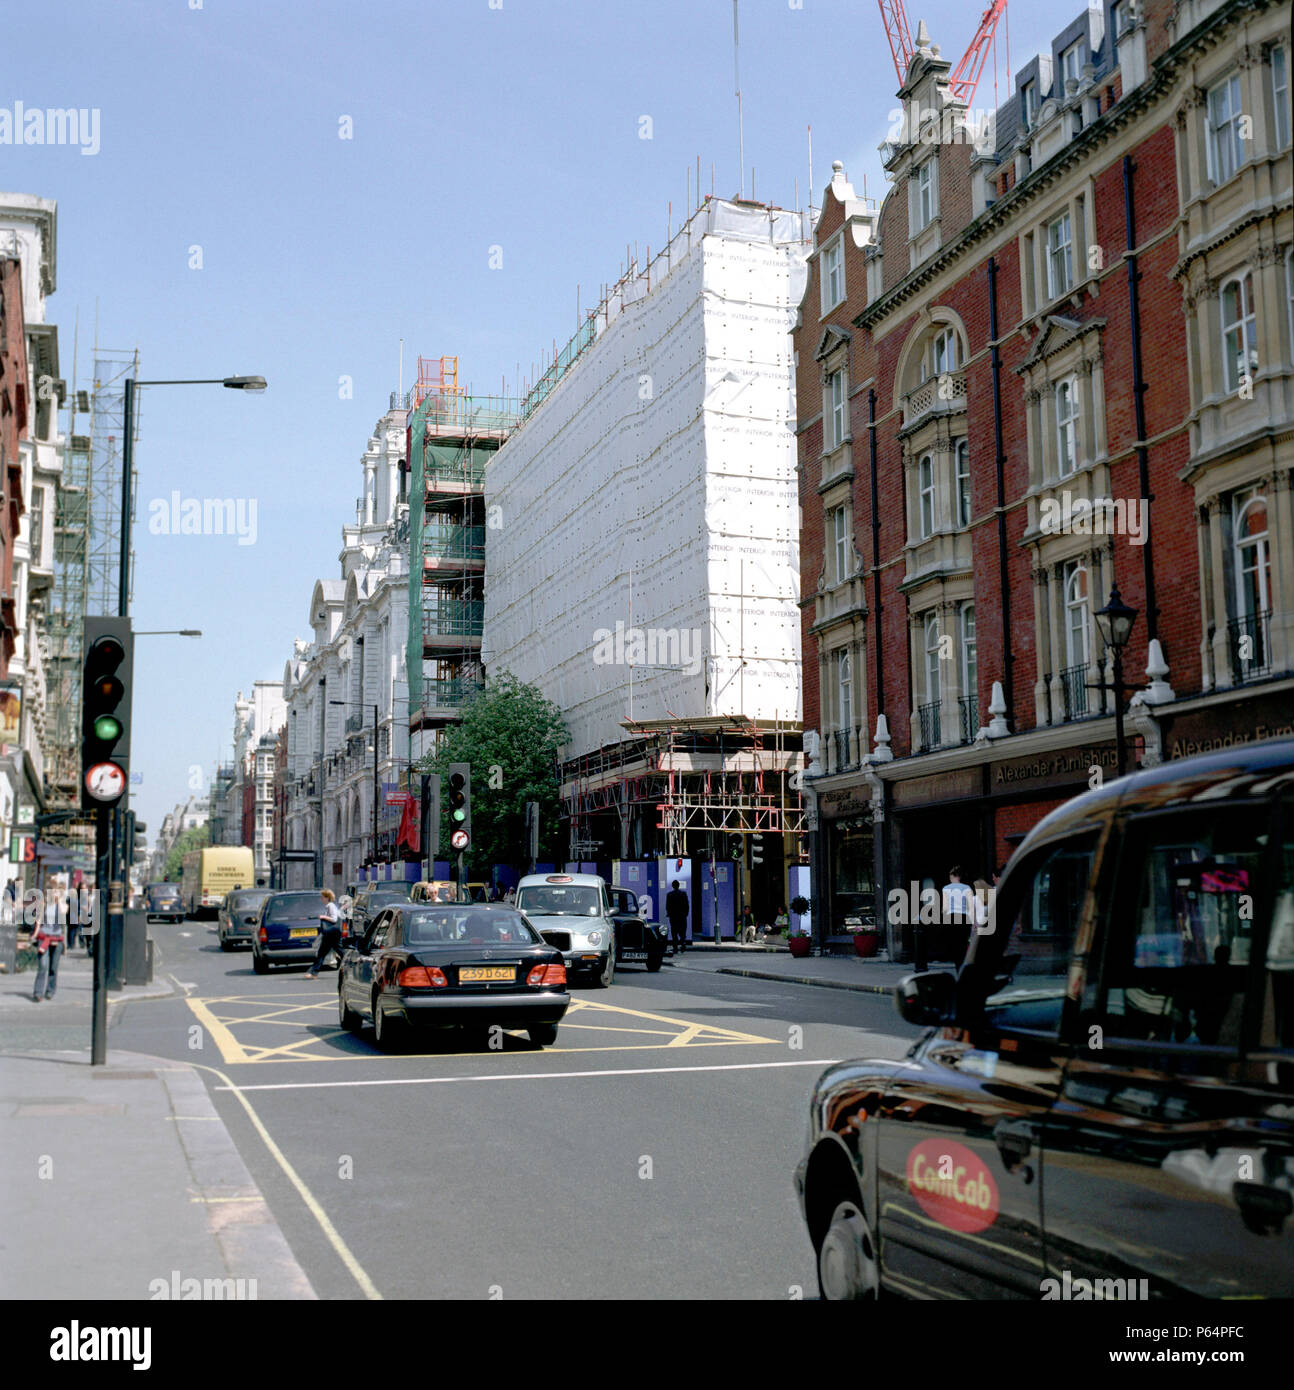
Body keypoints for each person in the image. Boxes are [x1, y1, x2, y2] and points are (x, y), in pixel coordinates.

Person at [32, 885, 68, 1002]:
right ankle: (38, 992)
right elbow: (39, 921)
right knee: (42, 965)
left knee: (53, 967)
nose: (54, 893)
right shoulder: (44, 905)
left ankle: (50, 990)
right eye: (53, 891)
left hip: (57, 939)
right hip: (44, 937)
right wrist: (35, 934)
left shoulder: (63, 905)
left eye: (57, 891)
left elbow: (63, 911)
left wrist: (59, 901)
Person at [307, 888, 344, 978]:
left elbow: (334, 919)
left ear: (327, 898)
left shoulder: (331, 906)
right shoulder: (329, 906)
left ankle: (314, 973)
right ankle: (314, 973)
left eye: (322, 897)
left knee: (327, 952)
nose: (321, 899)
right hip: (331, 933)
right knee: (323, 952)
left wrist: (323, 916)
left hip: (332, 933)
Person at [665, 879, 689, 955]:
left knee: (674, 932)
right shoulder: (683, 894)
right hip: (682, 916)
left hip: (673, 916)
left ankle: (675, 947)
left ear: (672, 886)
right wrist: (686, 914)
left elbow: (667, 906)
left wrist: (669, 914)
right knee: (682, 930)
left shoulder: (669, 895)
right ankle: (683, 943)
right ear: (678, 885)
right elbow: (687, 905)